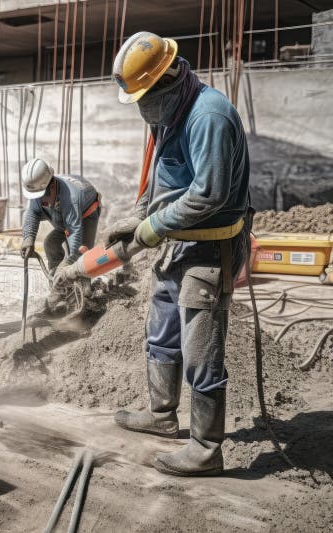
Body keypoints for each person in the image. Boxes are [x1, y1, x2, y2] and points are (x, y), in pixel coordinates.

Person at [101, 32, 251, 476]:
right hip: (178, 241)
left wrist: (150, 229)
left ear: (168, 78)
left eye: (145, 95)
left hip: (210, 244)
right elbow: (162, 172)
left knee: (201, 348)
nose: (142, 105)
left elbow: (208, 194)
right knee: (162, 327)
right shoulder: (171, 109)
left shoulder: (208, 117)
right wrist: (141, 213)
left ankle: (206, 449)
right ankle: (162, 414)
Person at [20, 157, 101, 283]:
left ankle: (85, 290)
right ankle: (56, 282)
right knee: (50, 244)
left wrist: (68, 264)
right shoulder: (39, 189)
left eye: (42, 196)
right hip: (63, 215)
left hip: (86, 214)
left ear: (52, 185)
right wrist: (28, 238)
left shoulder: (71, 197)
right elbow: (33, 213)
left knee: (81, 253)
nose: (41, 201)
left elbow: (74, 232)